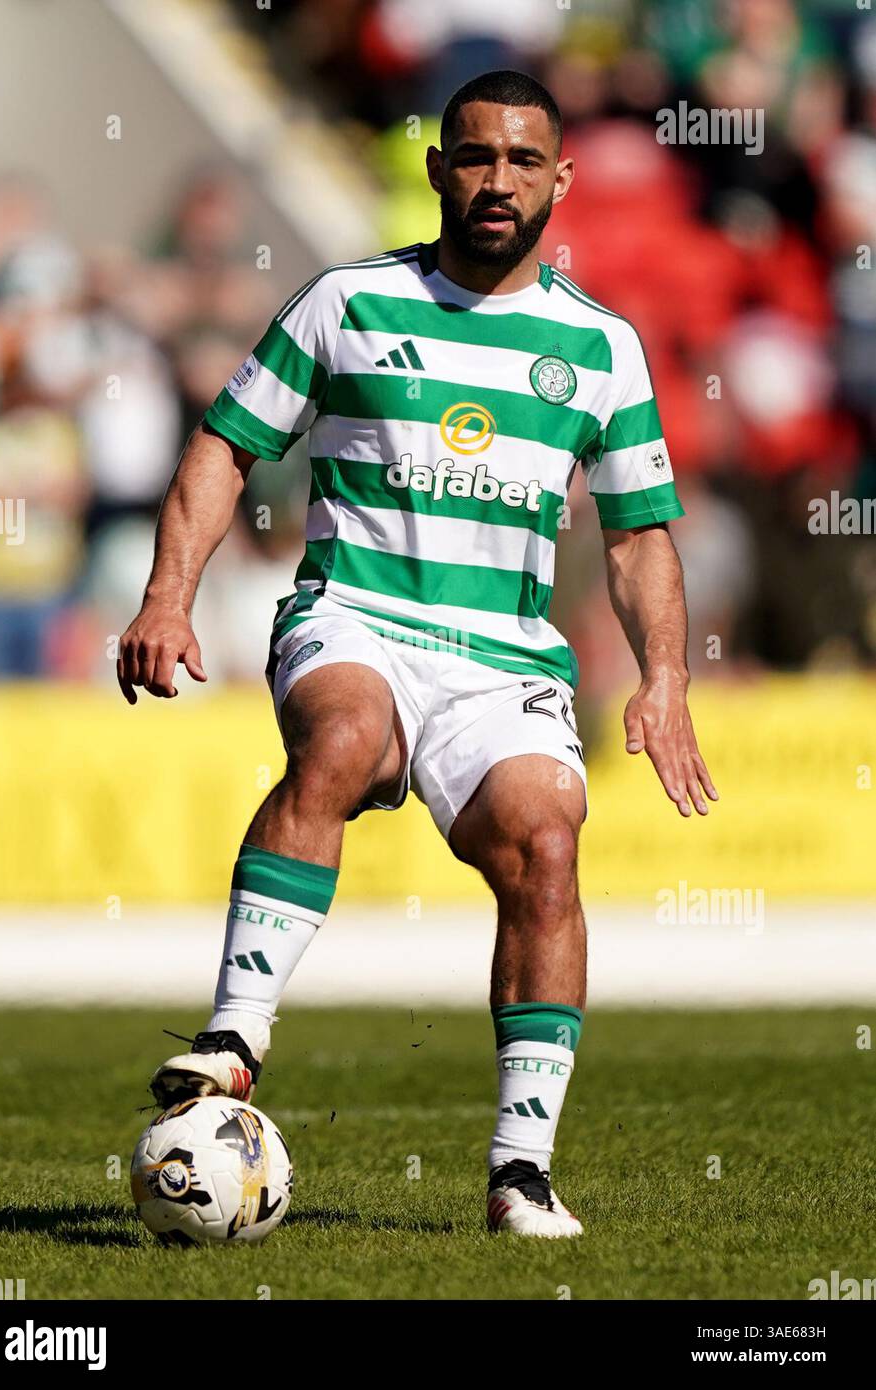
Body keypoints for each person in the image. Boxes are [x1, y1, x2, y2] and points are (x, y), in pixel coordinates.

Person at [117, 70, 717, 1239]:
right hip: (356, 614)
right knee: (343, 737)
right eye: (477, 156)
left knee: (547, 843)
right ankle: (235, 1034)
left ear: (562, 179)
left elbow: (641, 535)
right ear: (440, 168)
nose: (499, 181)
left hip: (504, 659)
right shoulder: (345, 302)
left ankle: (520, 1175)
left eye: (523, 160)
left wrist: (667, 674)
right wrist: (167, 598)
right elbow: (223, 447)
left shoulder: (601, 349)